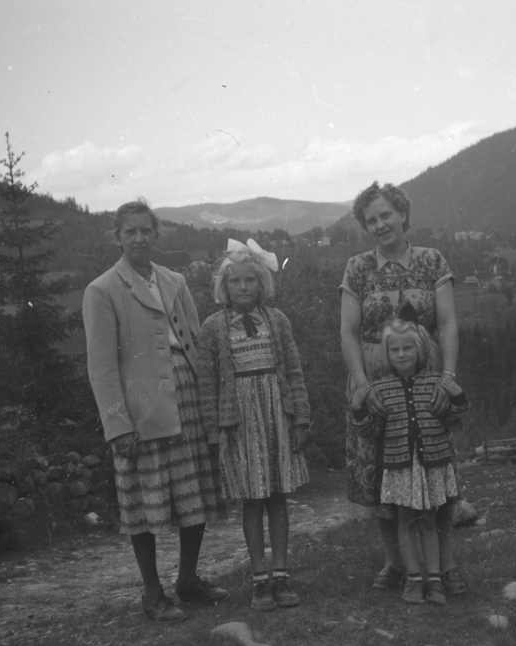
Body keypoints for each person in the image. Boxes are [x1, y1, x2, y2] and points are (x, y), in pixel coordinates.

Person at [83, 200, 229, 622]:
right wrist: (116, 423)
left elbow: (196, 342)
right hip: (141, 408)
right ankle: (152, 593)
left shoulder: (175, 280)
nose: (139, 238)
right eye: (130, 231)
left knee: (194, 492)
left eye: (146, 230)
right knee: (144, 503)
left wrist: (210, 400)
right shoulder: (102, 290)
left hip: (187, 395)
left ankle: (188, 580)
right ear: (118, 236)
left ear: (156, 234)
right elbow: (102, 367)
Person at [339, 181, 466, 594]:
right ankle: (395, 563)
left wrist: (447, 379)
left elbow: (446, 324)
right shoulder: (358, 268)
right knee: (381, 473)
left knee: (435, 469)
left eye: (386, 215)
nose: (379, 225)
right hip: (375, 378)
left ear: (403, 215)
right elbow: (349, 332)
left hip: (424, 375)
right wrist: (361, 386)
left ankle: (445, 566)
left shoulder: (432, 261)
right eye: (371, 220)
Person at [199, 239, 311, 611]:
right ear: (223, 287)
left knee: (278, 496)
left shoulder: (277, 321)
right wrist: (214, 430)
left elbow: (293, 371)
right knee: (253, 499)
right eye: (235, 282)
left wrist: (300, 418)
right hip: (241, 422)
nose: (243, 287)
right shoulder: (214, 327)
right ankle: (259, 579)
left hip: (276, 414)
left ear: (262, 284)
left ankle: (281, 576)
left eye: (250, 280)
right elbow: (208, 381)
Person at [351, 319, 469, 605]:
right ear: (386, 354)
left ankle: (435, 581)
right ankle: (413, 580)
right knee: (405, 522)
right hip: (400, 467)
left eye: (407, 348)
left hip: (432, 464)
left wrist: (457, 397)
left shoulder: (435, 383)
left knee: (428, 521)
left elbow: (454, 421)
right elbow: (372, 431)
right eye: (394, 350)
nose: (401, 354)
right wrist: (358, 409)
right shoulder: (380, 388)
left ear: (420, 350)